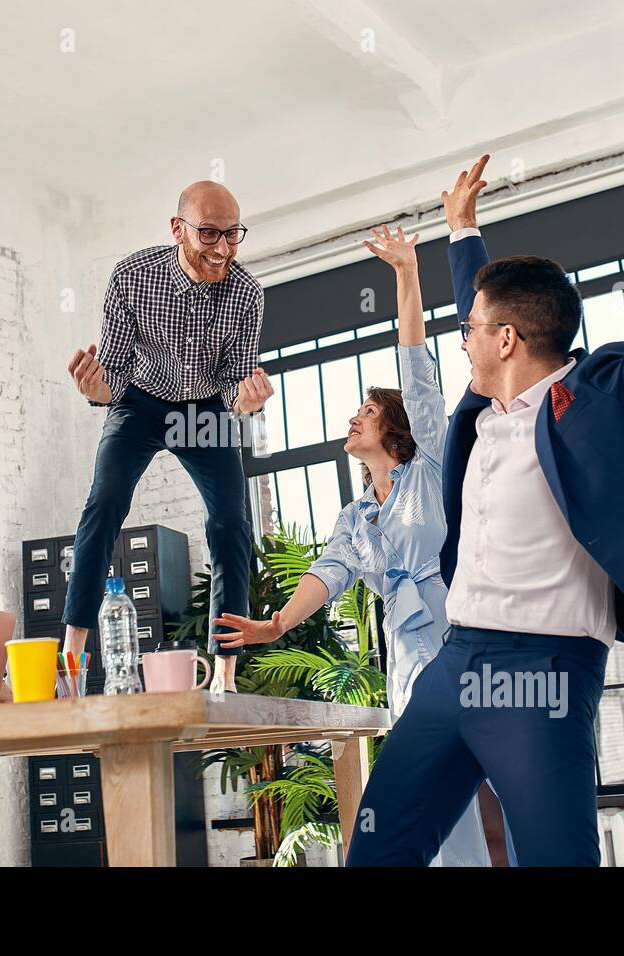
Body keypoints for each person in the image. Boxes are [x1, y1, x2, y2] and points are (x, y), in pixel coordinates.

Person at [346, 69, 624, 867]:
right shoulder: (480, 407)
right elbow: (490, 304)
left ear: (506, 341)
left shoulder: (600, 400)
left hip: (546, 674)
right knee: (377, 851)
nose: (462, 336)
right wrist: (462, 230)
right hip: (454, 664)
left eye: (471, 329)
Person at [213, 223, 514, 866]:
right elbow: (328, 572)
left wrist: (407, 275)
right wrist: (276, 625)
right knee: (435, 801)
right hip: (406, 662)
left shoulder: (430, 467)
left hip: (464, 636)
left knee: (492, 785)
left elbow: (418, 373)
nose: (353, 418)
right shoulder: (357, 518)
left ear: (397, 428)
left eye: (368, 412)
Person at [63, 181, 274, 693]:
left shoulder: (247, 294)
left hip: (204, 407)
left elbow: (234, 381)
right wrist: (97, 391)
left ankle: (224, 671)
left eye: (232, 235)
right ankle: (72, 655)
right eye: (209, 234)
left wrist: (244, 403)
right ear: (178, 229)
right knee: (104, 504)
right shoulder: (132, 276)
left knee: (230, 522)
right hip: (140, 403)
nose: (222, 249)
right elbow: (113, 374)